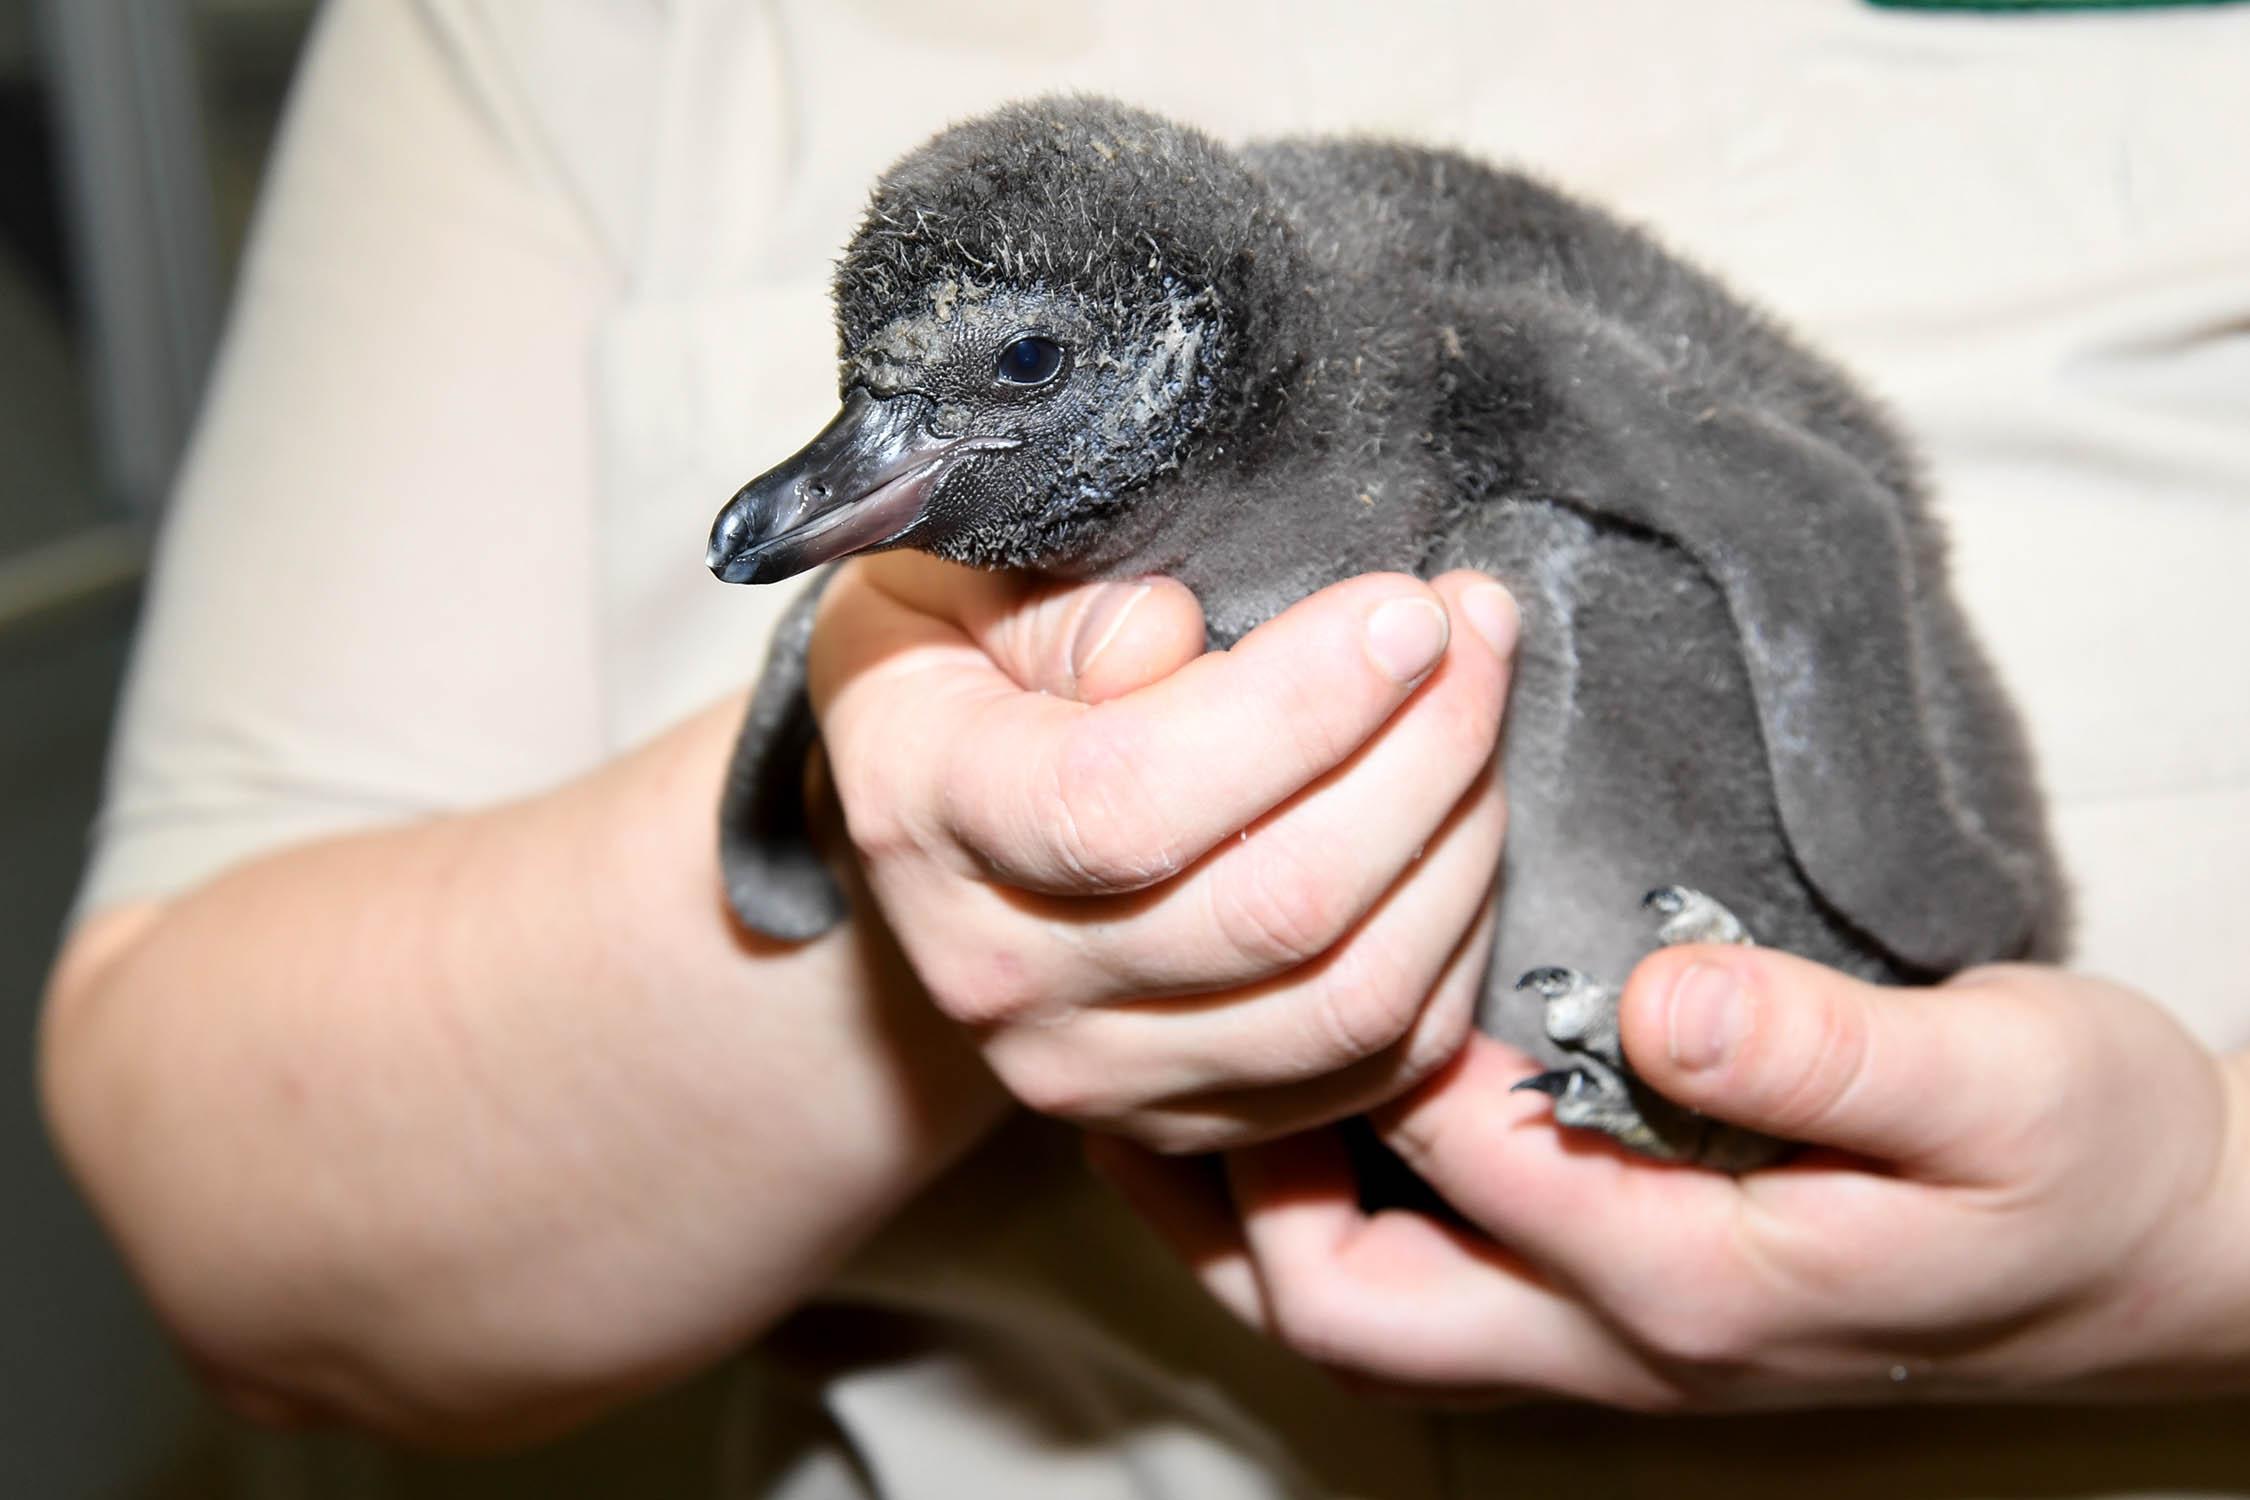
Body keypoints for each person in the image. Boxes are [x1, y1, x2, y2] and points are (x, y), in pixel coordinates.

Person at [39, 1, 2250, 1495]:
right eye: (880, 394)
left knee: (1541, 571)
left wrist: (2179, 1220)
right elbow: (220, 1205)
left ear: (1188, 349)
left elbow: (1798, 510)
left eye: (1001, 377)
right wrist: (895, 863)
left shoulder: (1434, 360)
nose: (860, 468)